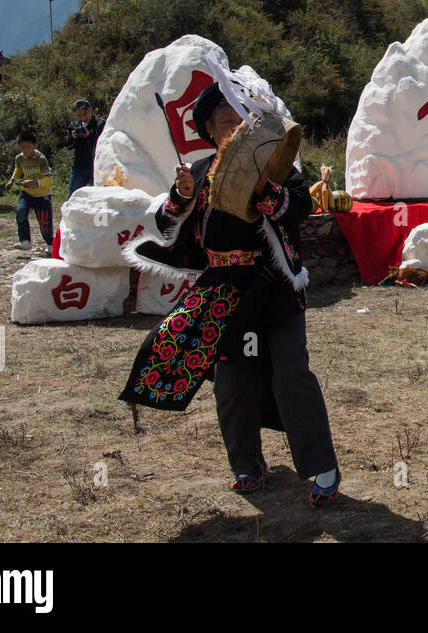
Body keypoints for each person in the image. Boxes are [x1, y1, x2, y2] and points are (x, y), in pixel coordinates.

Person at [118, 83, 341, 507]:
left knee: (291, 372)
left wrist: (261, 190)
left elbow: (299, 207)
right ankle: (246, 465)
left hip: (274, 288)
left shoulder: (275, 165)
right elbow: (172, 227)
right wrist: (181, 197)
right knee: (232, 380)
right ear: (208, 129)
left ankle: (321, 468)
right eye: (223, 121)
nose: (233, 127)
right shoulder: (199, 173)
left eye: (239, 119)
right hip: (224, 295)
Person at [5, 131, 53, 253]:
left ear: (35, 145)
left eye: (28, 147)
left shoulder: (41, 159)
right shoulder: (19, 158)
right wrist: (12, 181)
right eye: (22, 147)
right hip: (27, 193)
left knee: (44, 222)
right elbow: (18, 170)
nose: (26, 150)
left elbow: (48, 178)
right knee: (21, 212)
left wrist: (34, 182)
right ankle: (25, 241)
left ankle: (50, 244)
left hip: (43, 195)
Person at [62, 98, 104, 197]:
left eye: (84, 115)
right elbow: (67, 145)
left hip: (96, 165)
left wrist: (89, 135)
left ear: (90, 110)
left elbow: (103, 143)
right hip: (79, 165)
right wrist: (72, 137)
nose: (82, 118)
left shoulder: (100, 124)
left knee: (100, 196)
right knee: (73, 196)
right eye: (79, 116)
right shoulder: (75, 125)